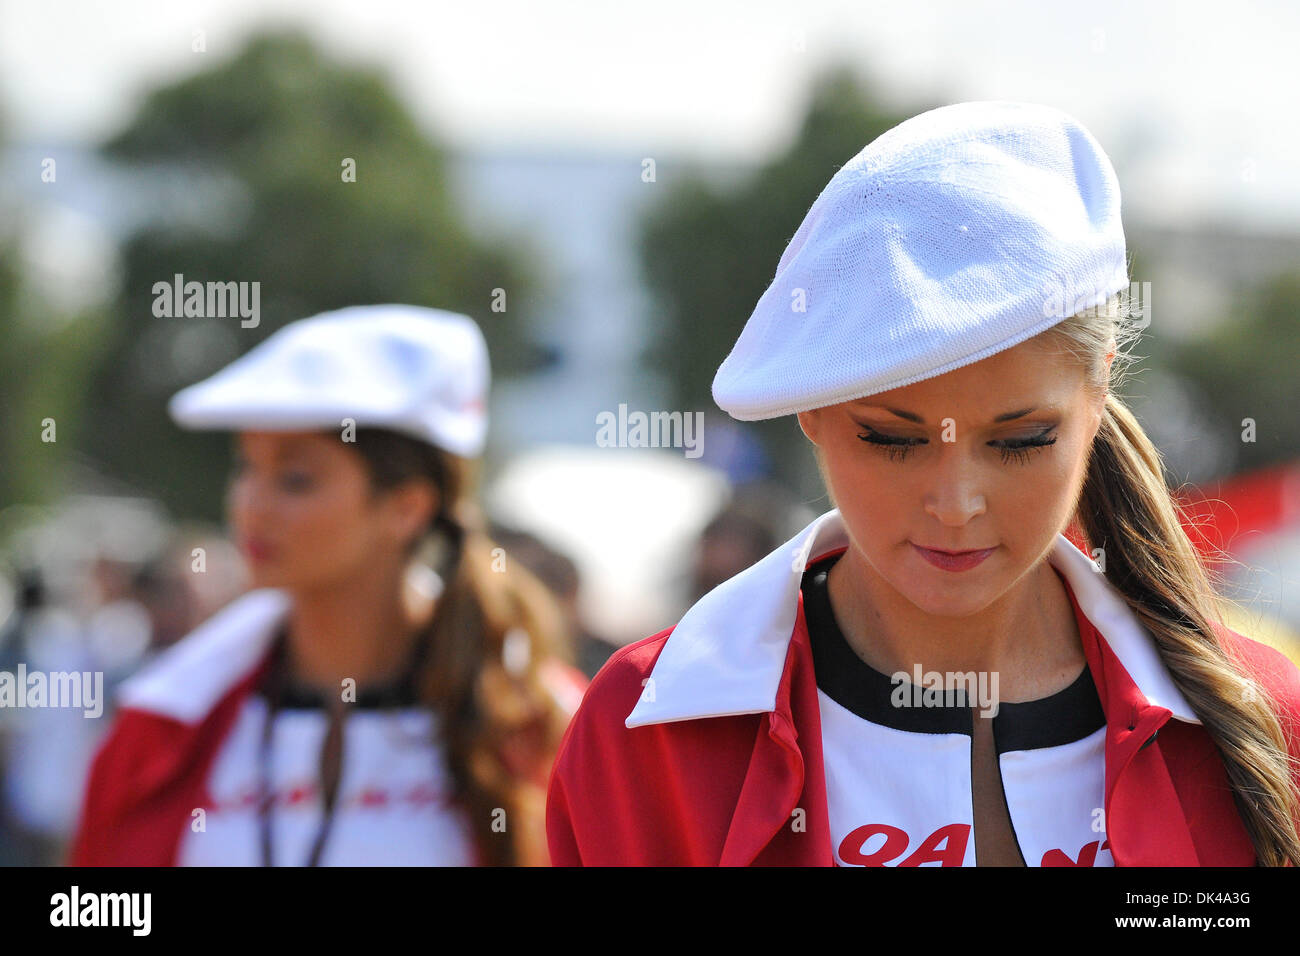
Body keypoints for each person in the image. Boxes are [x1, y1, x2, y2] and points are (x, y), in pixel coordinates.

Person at [546, 101, 1300, 867]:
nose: (956, 503)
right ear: (811, 408)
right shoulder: (649, 734)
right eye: (892, 439)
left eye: (1019, 441)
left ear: (1099, 393)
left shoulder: (1262, 727)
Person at [70, 304, 585, 866]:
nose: (251, 506)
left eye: (296, 478)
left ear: (407, 507)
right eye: (245, 468)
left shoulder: (547, 724)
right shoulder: (165, 724)